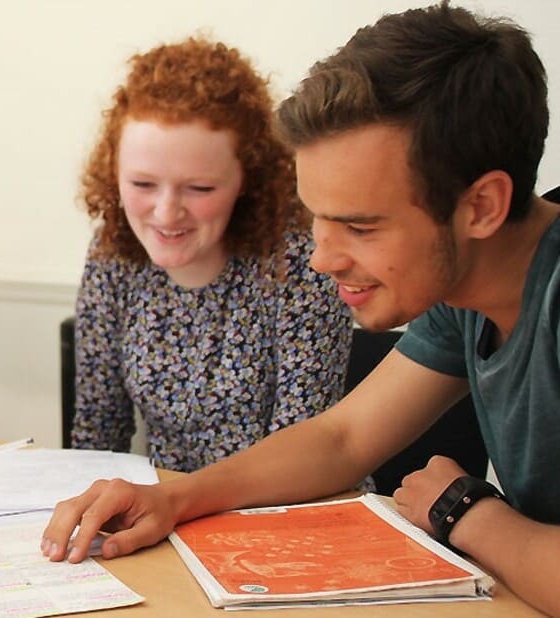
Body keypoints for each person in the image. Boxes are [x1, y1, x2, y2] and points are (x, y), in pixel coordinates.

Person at [42, 3, 559, 615]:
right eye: (318, 218)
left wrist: (467, 512)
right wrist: (176, 500)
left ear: (480, 207)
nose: (322, 259)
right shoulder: (465, 294)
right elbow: (341, 439)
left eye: (360, 226)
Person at [70, 37, 351, 472]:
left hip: (286, 511)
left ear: (247, 180)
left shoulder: (299, 259)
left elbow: (303, 453)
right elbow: (97, 432)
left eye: (199, 188)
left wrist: (184, 504)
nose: (165, 213)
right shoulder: (113, 252)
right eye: (142, 185)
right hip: (169, 519)